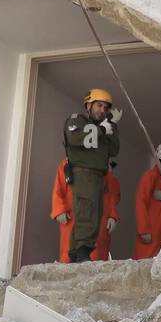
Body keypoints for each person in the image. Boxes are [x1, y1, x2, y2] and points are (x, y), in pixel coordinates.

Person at [62, 88, 120, 262]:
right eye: (99, 105)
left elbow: (114, 150)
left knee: (93, 214)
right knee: (87, 212)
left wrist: (112, 127)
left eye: (105, 108)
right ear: (88, 105)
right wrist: (102, 130)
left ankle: (77, 253)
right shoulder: (77, 120)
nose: (102, 110)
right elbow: (77, 138)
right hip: (83, 173)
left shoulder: (102, 126)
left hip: (98, 177)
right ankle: (81, 252)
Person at [51, 162, 120, 262]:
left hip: (98, 220)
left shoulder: (101, 164)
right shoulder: (66, 164)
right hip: (72, 218)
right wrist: (59, 210)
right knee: (68, 255)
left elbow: (111, 194)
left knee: (96, 258)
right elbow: (58, 189)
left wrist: (112, 215)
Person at [134, 144, 161, 260]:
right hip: (150, 230)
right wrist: (144, 230)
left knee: (160, 262)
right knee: (145, 262)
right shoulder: (150, 176)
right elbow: (140, 202)